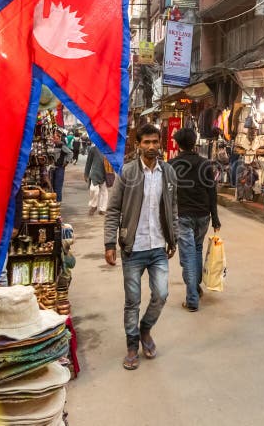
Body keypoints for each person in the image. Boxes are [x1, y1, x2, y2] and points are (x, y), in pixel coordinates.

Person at [104, 124, 179, 370]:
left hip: (158, 246)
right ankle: (131, 346)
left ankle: (145, 329)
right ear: (138, 145)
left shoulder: (168, 173)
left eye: (155, 142)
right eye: (146, 142)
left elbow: (173, 208)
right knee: (132, 300)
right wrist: (109, 243)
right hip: (133, 248)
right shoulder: (127, 173)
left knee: (161, 295)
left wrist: (173, 237)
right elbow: (114, 209)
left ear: (160, 143)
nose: (151, 146)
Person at [168, 128, 221, 312]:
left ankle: (192, 299)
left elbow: (166, 194)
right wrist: (215, 218)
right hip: (203, 216)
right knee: (196, 250)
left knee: (188, 255)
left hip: (183, 216)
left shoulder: (172, 164)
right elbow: (212, 192)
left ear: (178, 144)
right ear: (194, 142)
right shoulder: (205, 164)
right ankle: (196, 289)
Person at [84, 144, 107, 216]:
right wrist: (86, 174)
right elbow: (88, 162)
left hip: (106, 173)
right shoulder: (93, 149)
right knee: (93, 190)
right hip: (95, 173)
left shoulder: (109, 149)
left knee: (104, 192)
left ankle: (102, 209)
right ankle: (94, 206)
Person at [51, 132, 72, 202]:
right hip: (53, 168)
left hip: (60, 169)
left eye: (56, 138)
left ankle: (58, 203)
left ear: (59, 138)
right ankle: (54, 203)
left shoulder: (62, 145)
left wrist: (66, 162)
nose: (55, 140)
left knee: (58, 187)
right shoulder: (53, 146)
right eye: (54, 138)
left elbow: (70, 153)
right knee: (53, 186)